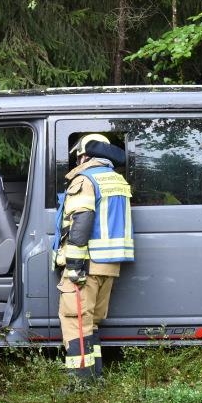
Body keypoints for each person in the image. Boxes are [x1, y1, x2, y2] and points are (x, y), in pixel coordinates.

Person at [53, 133, 134, 383]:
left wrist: (75, 266)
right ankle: (95, 376)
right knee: (90, 323)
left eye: (79, 157)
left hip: (87, 264)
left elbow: (82, 221)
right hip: (109, 265)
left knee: (75, 321)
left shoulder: (85, 180)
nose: (77, 162)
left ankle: (80, 383)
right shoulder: (117, 180)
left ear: (86, 155)